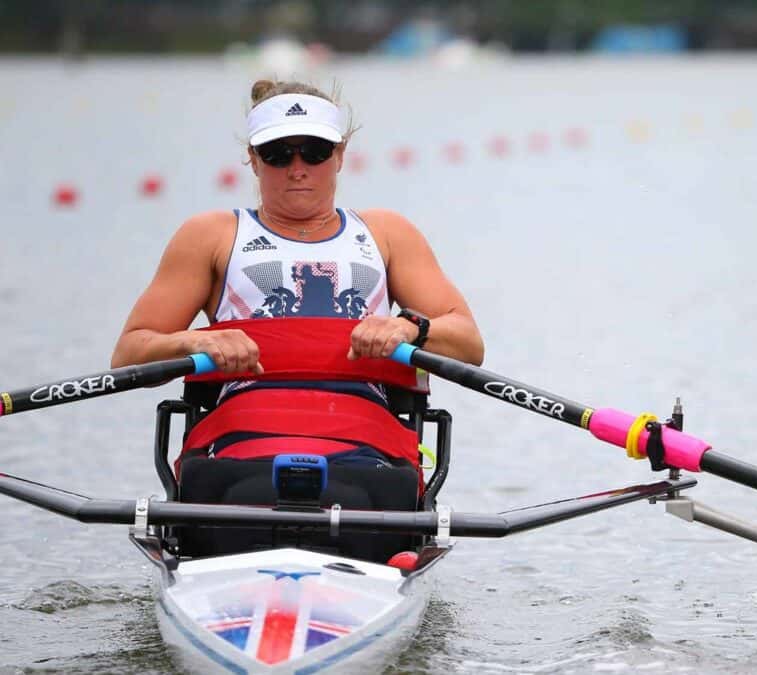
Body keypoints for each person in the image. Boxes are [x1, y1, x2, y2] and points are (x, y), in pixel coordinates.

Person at [111, 80, 484, 561]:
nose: (298, 169)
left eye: (314, 151)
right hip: (242, 442)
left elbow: (469, 344)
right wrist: (197, 342)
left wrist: (412, 328)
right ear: (252, 157)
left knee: (366, 492)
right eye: (277, 154)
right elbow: (129, 354)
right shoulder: (211, 236)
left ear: (341, 154)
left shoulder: (387, 233)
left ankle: (387, 562)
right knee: (236, 489)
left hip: (364, 447)